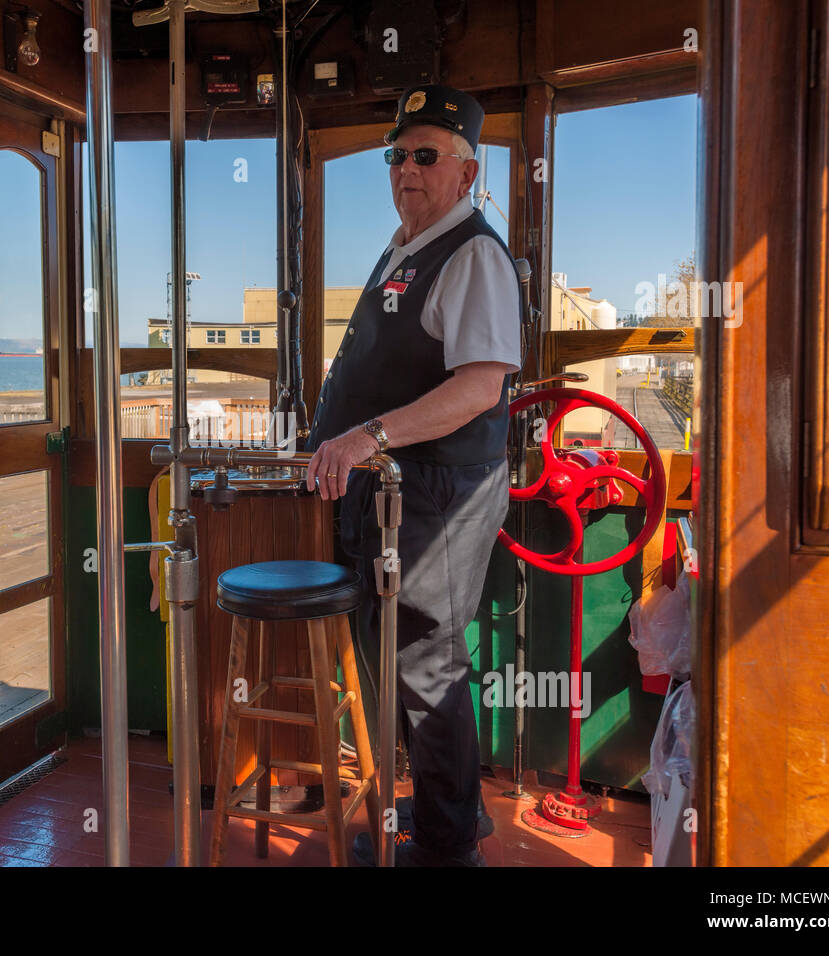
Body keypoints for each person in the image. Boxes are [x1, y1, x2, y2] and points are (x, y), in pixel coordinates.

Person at [303, 83, 522, 866]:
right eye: (397, 155)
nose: (407, 169)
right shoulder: (405, 247)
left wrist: (366, 436)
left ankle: (446, 847)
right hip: (388, 491)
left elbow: (479, 387)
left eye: (427, 156)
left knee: (428, 667)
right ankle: (446, 820)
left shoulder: (472, 254)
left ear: (467, 173)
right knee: (399, 662)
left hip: (437, 492)